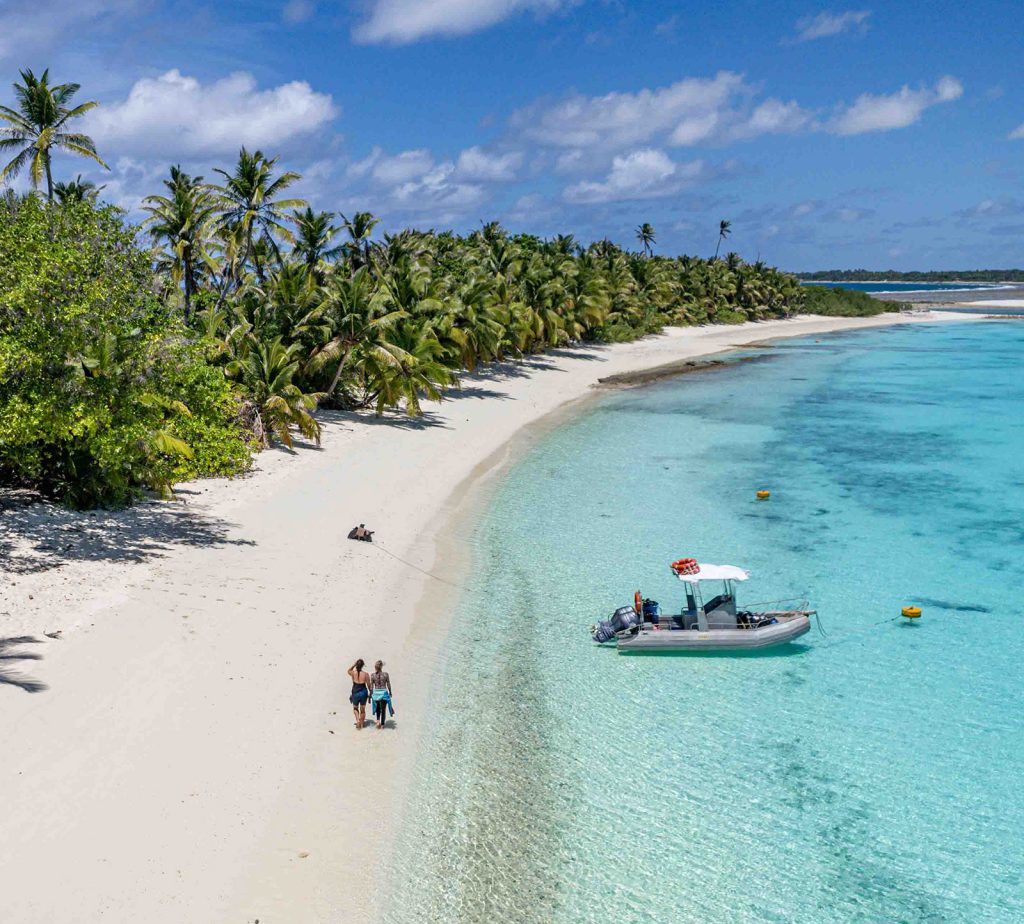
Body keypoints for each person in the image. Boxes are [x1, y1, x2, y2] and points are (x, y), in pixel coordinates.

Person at [369, 659, 393, 729]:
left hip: (376, 694)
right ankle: (382, 726)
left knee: (378, 708)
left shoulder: (373, 675)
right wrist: (390, 692)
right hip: (383, 693)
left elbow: (371, 686)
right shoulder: (386, 674)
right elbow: (388, 684)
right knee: (383, 709)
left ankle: (378, 721)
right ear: (381, 667)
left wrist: (370, 695)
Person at [347, 659, 370, 728]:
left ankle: (357, 721)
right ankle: (362, 724)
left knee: (355, 708)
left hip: (355, 692)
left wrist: (354, 664)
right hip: (363, 692)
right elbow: (369, 685)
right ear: (363, 666)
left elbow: (348, 670)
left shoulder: (353, 673)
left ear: (356, 665)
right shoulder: (366, 674)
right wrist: (371, 693)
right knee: (362, 710)